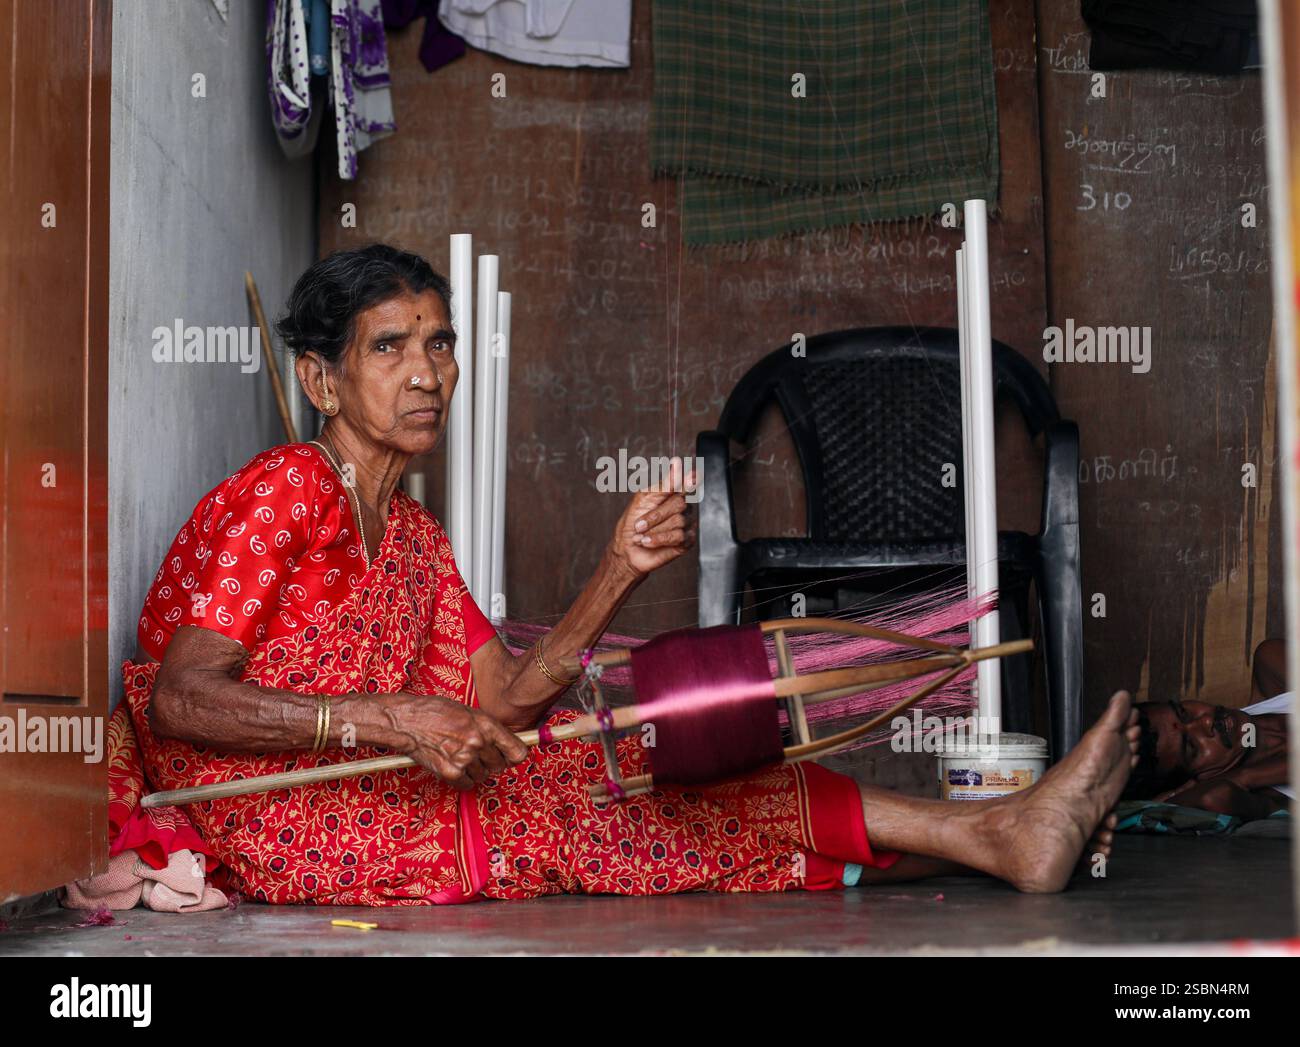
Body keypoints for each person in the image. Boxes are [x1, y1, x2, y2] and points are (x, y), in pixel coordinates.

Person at [104, 244, 1140, 907]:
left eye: (441, 343)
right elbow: (185, 698)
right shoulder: (290, 487)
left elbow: (503, 695)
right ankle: (999, 835)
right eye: (389, 348)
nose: (429, 372)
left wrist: (615, 569)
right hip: (262, 801)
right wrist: (391, 721)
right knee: (584, 798)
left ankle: (1004, 834)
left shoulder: (412, 535)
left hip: (368, 770)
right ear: (320, 378)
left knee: (615, 768)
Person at [1126, 692, 1291, 821]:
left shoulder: (1271, 666)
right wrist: (1243, 777)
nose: (1206, 721)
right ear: (1193, 781)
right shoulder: (1277, 800)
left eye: (1184, 713)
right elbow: (1213, 797)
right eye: (1192, 746)